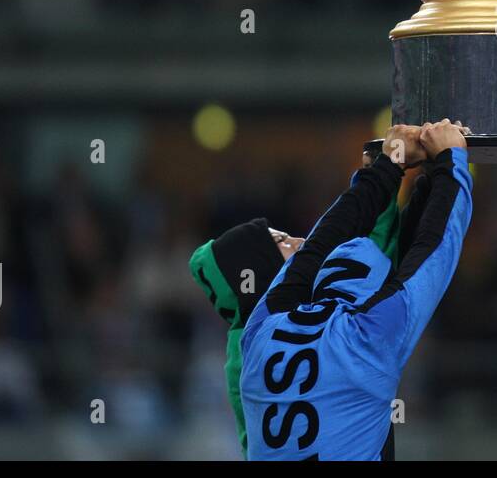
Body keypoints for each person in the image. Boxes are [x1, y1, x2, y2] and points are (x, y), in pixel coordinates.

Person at [240, 120, 471, 460]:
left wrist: (394, 163)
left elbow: (319, 245)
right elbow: (436, 250)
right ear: (372, 297)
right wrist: (448, 161)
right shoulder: (368, 336)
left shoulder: (262, 331)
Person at [189, 150, 407, 455]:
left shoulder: (280, 321)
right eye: (282, 242)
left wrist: (381, 188)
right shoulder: (251, 349)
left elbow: (370, 255)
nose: (299, 242)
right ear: (261, 271)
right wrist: (379, 179)